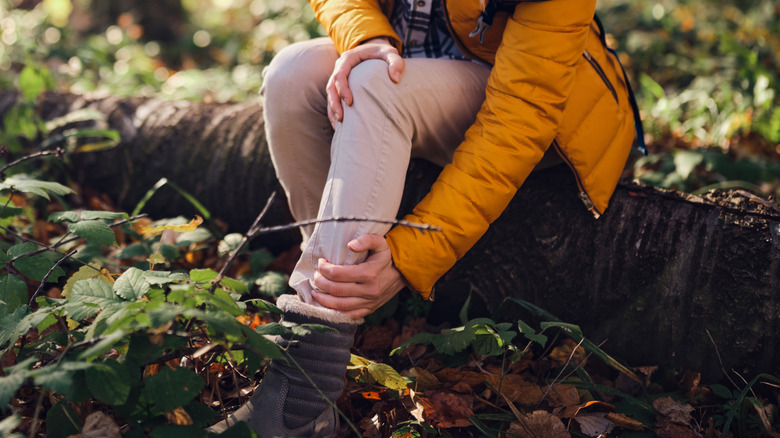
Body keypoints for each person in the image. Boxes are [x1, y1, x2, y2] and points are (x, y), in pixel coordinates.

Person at [209, 0, 640, 435]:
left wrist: (411, 254)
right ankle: (336, 291)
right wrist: (368, 36)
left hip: (531, 110)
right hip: (410, 68)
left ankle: (301, 393)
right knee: (291, 73)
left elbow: (520, 118)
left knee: (375, 82)